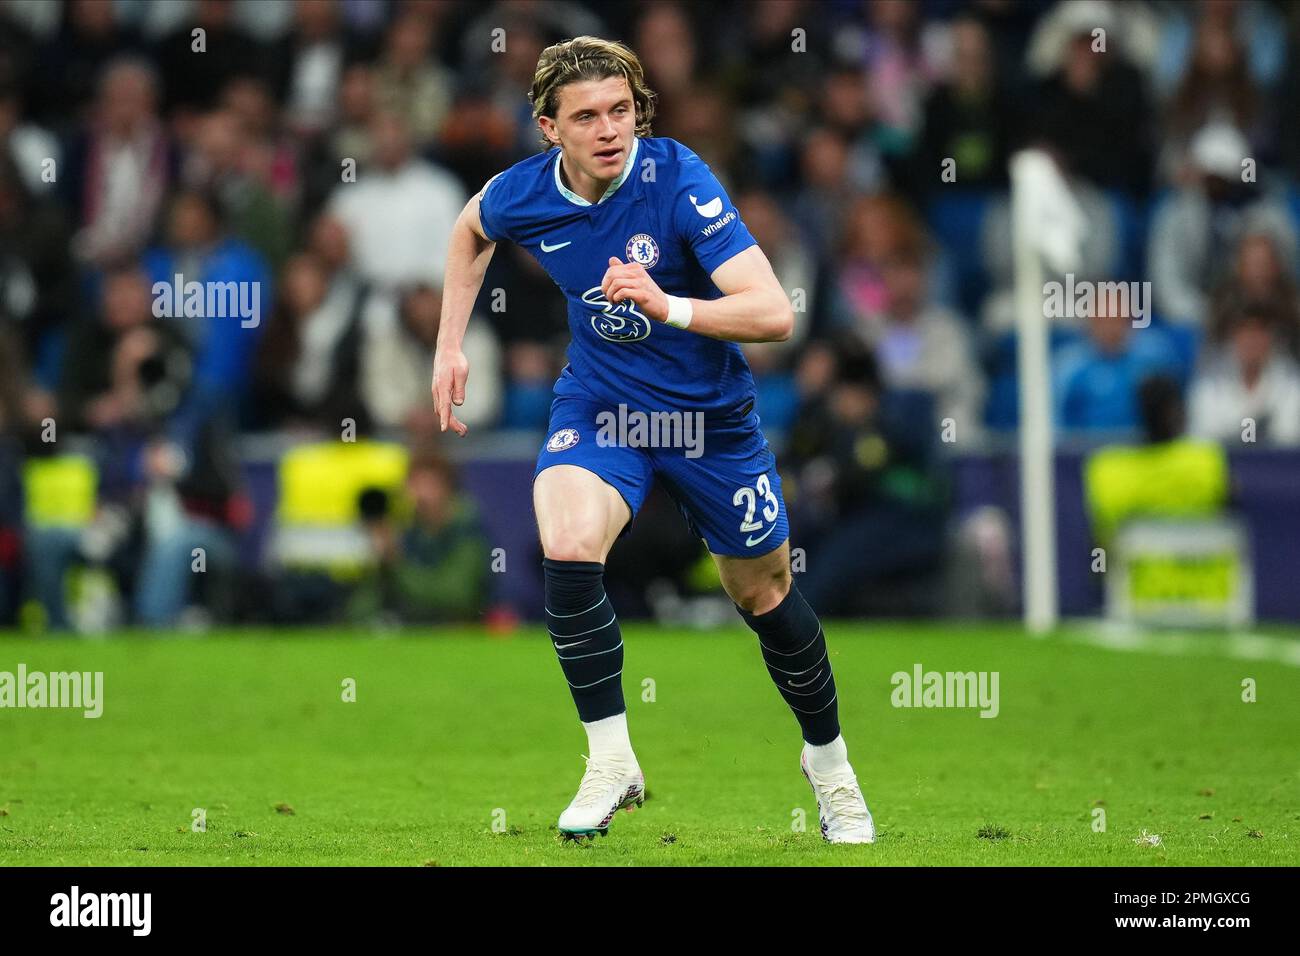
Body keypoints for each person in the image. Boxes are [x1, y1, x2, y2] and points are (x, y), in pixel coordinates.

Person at [430, 37, 874, 844]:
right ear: (548, 128)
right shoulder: (525, 192)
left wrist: (667, 304)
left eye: (621, 111)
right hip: (604, 407)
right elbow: (470, 231)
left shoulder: (678, 181)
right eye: (587, 116)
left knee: (764, 595)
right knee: (565, 539)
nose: (609, 130)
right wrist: (450, 345)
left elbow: (774, 312)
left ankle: (830, 764)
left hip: (709, 422)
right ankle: (611, 759)